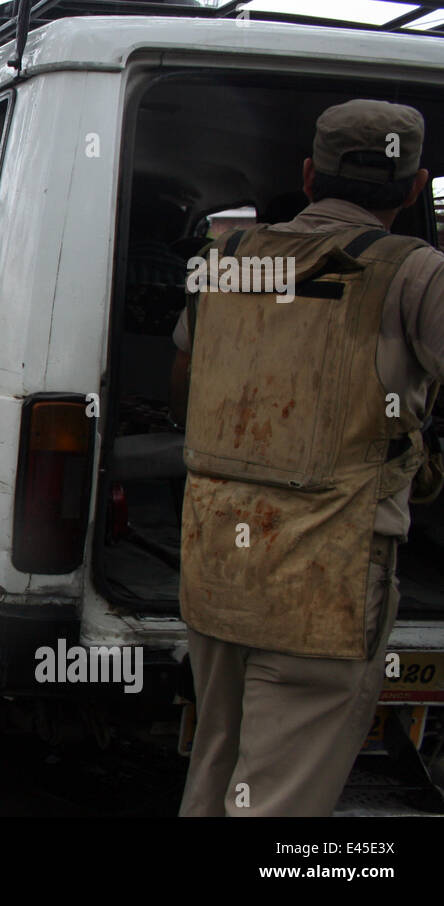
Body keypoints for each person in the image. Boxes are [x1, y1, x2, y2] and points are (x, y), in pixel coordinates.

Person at [171, 99, 444, 816]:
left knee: (217, 763)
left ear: (308, 175)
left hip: (217, 560)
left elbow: (185, 378)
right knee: (279, 800)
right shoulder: (417, 273)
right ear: (415, 187)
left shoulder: (225, 259)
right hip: (328, 579)